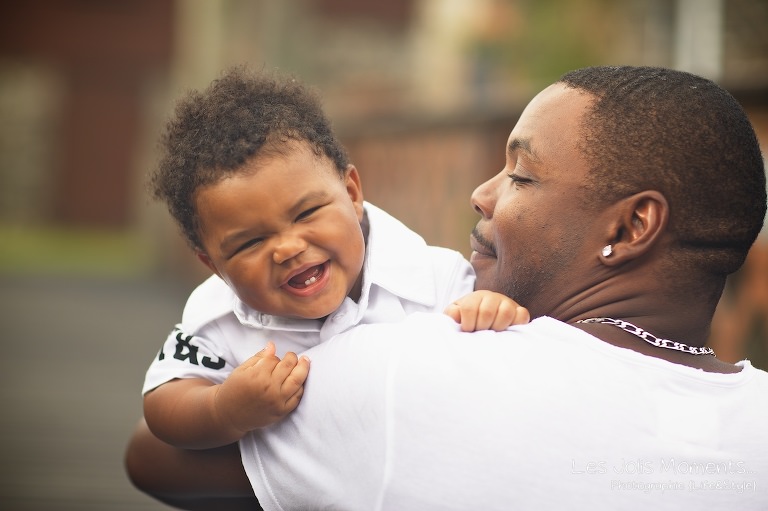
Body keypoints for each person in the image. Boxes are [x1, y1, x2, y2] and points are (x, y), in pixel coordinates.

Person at [126, 65, 768, 510]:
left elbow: (150, 460)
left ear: (632, 225)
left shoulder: (413, 371)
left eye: (520, 176)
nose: (481, 193)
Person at [141, 67, 529, 458]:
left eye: (306, 213)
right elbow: (164, 402)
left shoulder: (436, 281)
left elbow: (494, 372)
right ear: (214, 266)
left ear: (351, 191)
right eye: (252, 242)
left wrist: (490, 311)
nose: (288, 249)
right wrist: (224, 409)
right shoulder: (216, 315)